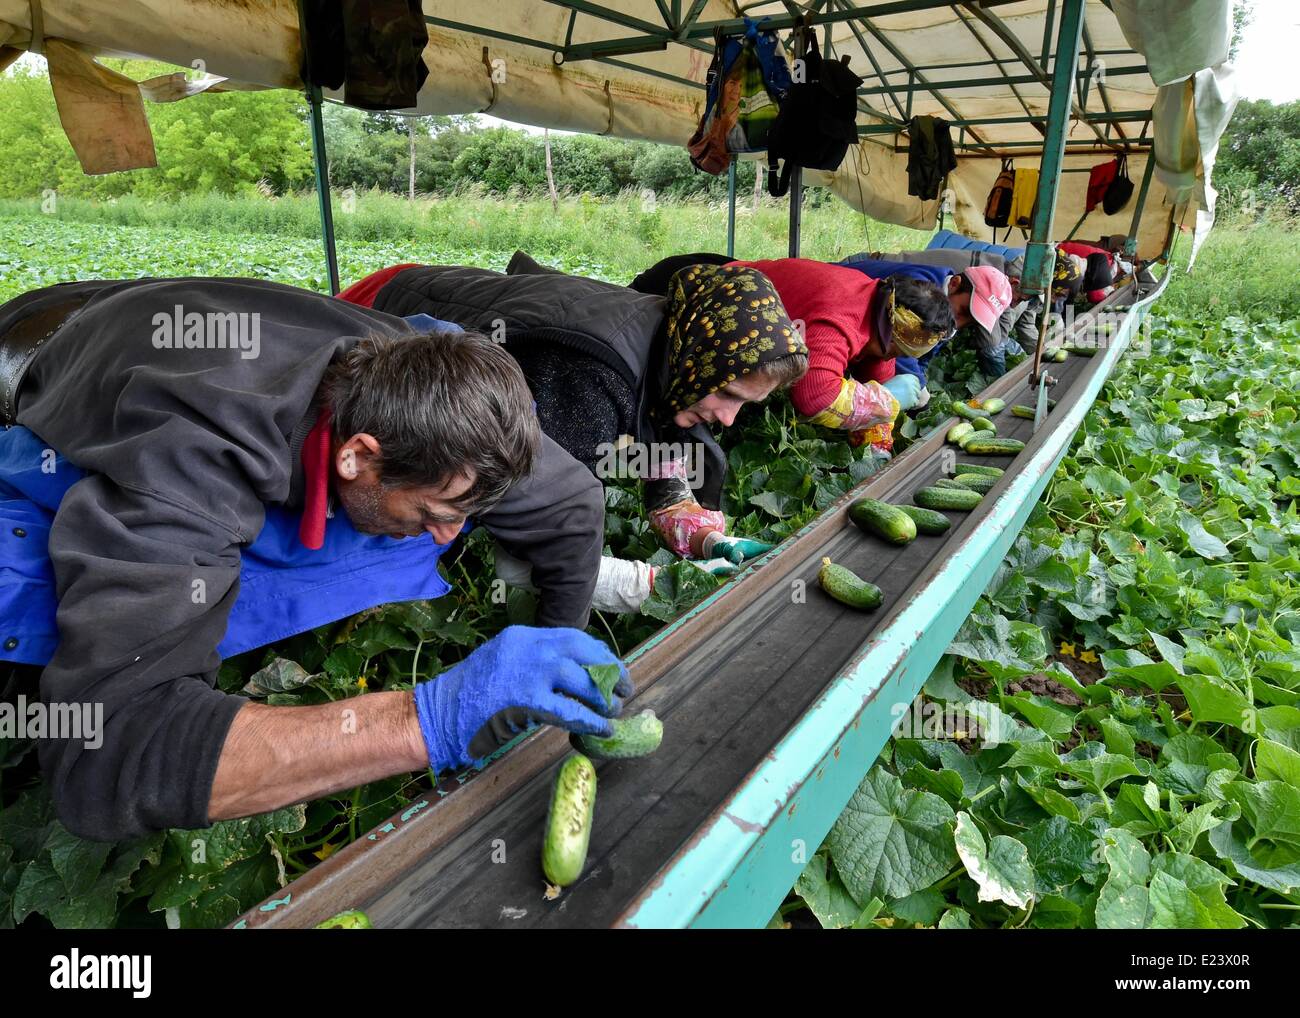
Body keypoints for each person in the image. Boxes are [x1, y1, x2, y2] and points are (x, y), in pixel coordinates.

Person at [0, 277, 627, 841]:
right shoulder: (189, 452)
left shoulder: (430, 389)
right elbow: (108, 754)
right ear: (357, 455)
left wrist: (555, 648)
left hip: (184, 311)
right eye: (436, 515)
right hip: (45, 337)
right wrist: (430, 719)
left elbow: (572, 500)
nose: (447, 538)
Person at [337, 255, 809, 609]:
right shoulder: (588, 378)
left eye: (744, 405)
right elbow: (534, 545)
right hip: (374, 317)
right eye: (728, 395)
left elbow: (663, 449)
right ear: (698, 363)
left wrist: (704, 537)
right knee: (411, 500)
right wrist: (649, 586)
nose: (728, 419)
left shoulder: (683, 353)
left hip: (440, 295)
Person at [719, 257, 953, 455]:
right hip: (720, 302)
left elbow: (876, 376)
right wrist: (886, 399)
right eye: (897, 351)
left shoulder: (880, 312)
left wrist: (877, 445)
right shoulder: (840, 319)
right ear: (890, 335)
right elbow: (814, 397)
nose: (895, 357)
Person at [838, 254, 1015, 381]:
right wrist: (918, 385)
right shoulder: (918, 288)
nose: (959, 323)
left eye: (971, 323)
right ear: (954, 284)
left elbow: (922, 354)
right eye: (963, 311)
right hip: (835, 306)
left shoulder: (946, 311)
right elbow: (899, 345)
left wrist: (917, 383)